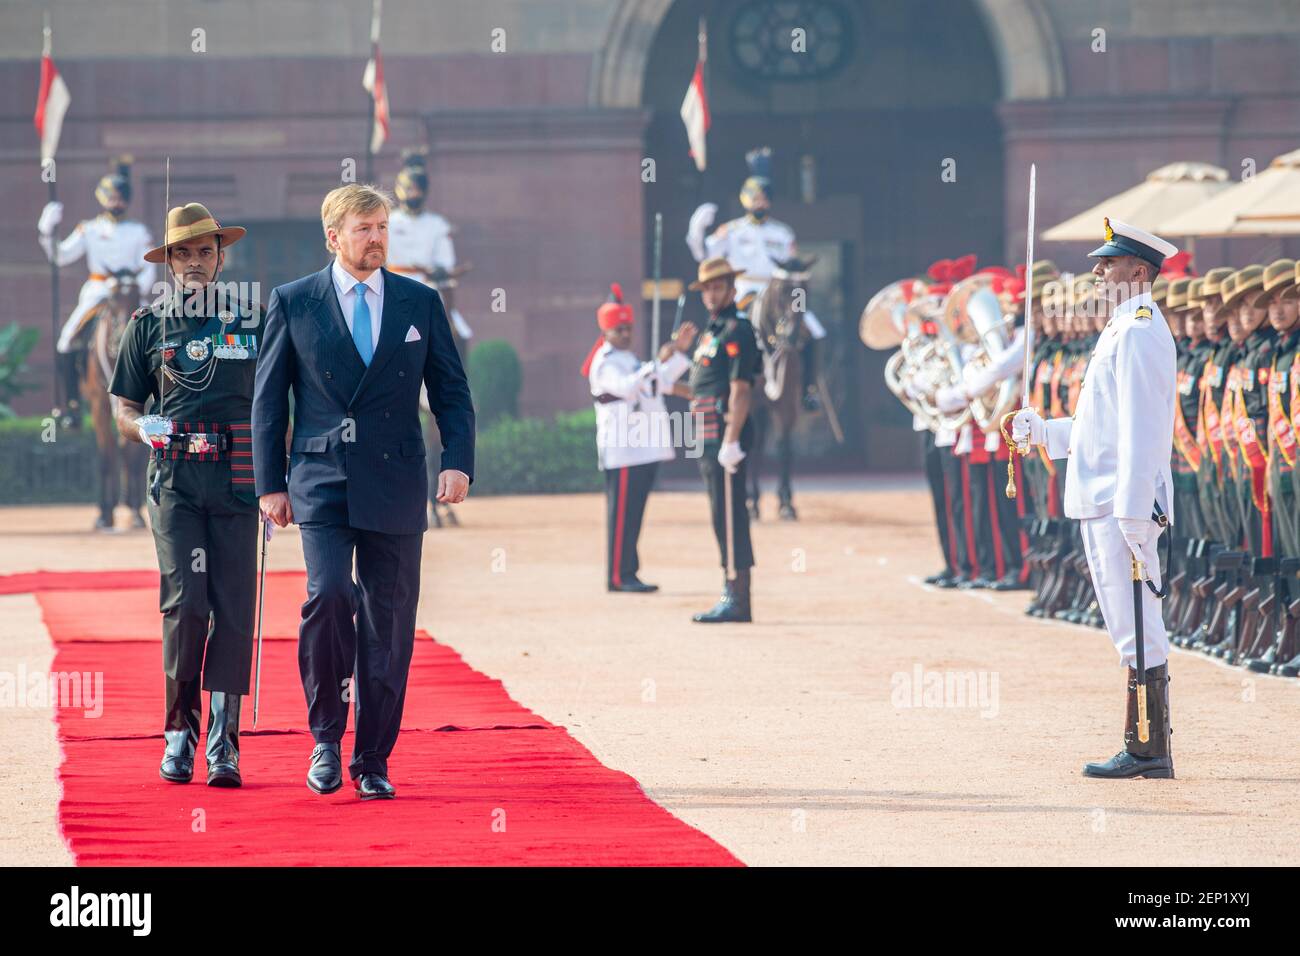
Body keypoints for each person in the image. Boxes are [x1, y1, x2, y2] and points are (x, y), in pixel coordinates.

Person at [252, 183, 475, 800]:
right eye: (364, 228)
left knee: (390, 621)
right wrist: (270, 484)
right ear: (333, 236)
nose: (376, 238)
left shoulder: (419, 302)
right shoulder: (293, 302)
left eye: (382, 227)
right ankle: (325, 737)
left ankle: (372, 758)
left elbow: (451, 392)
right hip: (321, 481)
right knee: (326, 598)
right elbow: (269, 403)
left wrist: (457, 462)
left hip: (398, 481)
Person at [1013, 217, 1179, 779]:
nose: (1098, 271)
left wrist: (1135, 508)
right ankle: (1144, 741)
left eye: (1108, 264)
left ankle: (1147, 747)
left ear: (1140, 271)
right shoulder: (1121, 327)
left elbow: (1143, 429)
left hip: (1119, 501)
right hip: (1105, 496)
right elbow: (1099, 426)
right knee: (1123, 622)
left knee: (1136, 623)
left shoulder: (1137, 329)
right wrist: (1042, 433)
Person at [107, 202, 257, 787]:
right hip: (174, 482)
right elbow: (124, 406)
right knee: (186, 605)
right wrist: (139, 426)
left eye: (204, 251)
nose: (194, 262)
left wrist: (277, 478)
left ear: (221, 258)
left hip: (237, 479)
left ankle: (224, 743)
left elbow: (275, 403)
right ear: (168, 261)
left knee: (235, 609)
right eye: (182, 253)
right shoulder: (146, 326)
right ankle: (179, 732)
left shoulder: (251, 321)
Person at [686, 147, 825, 409]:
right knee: (725, 328)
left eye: (763, 198)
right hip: (744, 288)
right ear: (744, 199)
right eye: (754, 197)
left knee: (814, 330)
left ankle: (809, 389)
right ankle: (717, 382)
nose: (759, 202)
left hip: (778, 290)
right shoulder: (732, 230)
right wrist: (696, 229)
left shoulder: (783, 233)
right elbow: (704, 255)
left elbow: (790, 264)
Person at [583, 283, 696, 591]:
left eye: (629, 329)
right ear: (606, 332)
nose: (625, 334)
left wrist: (678, 354)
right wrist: (658, 362)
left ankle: (629, 572)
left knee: (634, 514)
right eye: (619, 330)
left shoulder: (630, 359)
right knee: (621, 516)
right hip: (621, 448)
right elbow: (630, 386)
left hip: (643, 447)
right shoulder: (605, 362)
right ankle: (618, 577)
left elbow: (657, 382)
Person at [38, 154, 154, 425]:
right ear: (102, 198)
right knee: (66, 338)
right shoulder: (88, 229)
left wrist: (138, 289)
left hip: (131, 292)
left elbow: (148, 265)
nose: (118, 202)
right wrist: (47, 232)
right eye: (113, 197)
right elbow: (60, 256)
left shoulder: (139, 231)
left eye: (122, 197)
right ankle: (70, 405)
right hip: (99, 290)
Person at [684, 257, 761, 623]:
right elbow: (701, 385)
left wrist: (733, 440)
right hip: (705, 429)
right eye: (707, 289)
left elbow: (740, 389)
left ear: (732, 288)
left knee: (730, 514)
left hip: (725, 430)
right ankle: (729, 588)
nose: (712, 294)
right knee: (719, 513)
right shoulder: (710, 331)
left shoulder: (738, 330)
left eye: (719, 287)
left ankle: (738, 596)